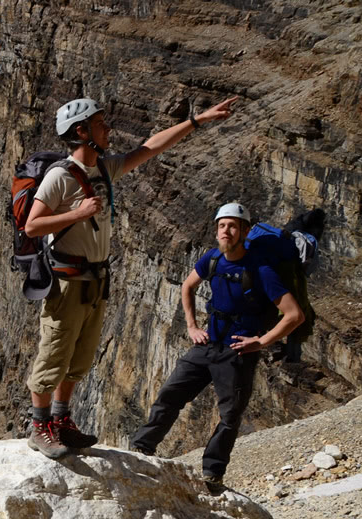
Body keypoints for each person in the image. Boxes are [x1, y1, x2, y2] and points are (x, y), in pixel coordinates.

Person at [24, 94, 239, 459]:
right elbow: (32, 225)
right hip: (67, 282)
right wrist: (76, 214)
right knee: (54, 353)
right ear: (82, 131)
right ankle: (40, 426)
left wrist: (197, 121)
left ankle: (61, 421)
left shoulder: (103, 169)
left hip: (95, 282)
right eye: (101, 124)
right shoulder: (59, 177)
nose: (109, 129)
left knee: (79, 356)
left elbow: (150, 148)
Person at [130, 202, 305, 494]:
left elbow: (294, 315)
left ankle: (212, 473)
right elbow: (188, 287)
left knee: (229, 416)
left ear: (245, 232)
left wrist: (261, 342)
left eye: (233, 226)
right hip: (207, 343)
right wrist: (191, 326)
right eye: (222, 225)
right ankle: (142, 446)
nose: (227, 230)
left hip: (237, 352)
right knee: (169, 395)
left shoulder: (261, 270)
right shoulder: (212, 259)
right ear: (216, 231)